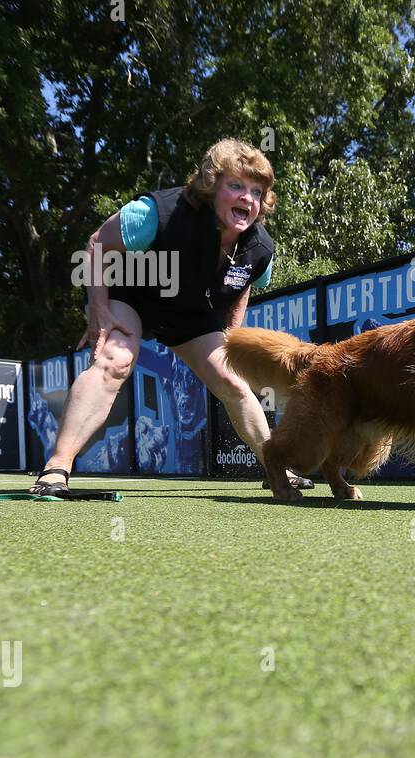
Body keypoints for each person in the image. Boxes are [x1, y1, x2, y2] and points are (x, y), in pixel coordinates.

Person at [30, 137, 312, 495]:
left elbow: (246, 282)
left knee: (233, 381)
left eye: (257, 192)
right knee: (115, 361)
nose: (248, 198)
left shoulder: (261, 248)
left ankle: (276, 470)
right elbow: (98, 242)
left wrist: (231, 333)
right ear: (212, 186)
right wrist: (99, 310)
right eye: (236, 186)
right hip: (133, 292)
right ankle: (56, 469)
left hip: (191, 312)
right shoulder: (157, 213)